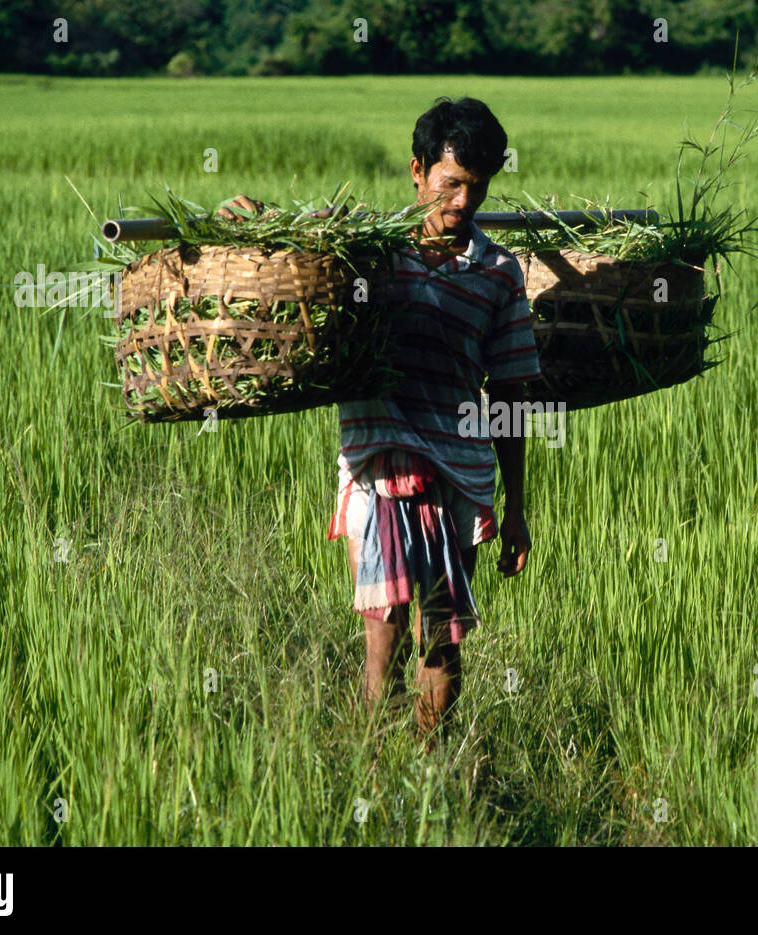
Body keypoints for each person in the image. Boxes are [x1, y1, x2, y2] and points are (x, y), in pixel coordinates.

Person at [223, 97, 539, 748]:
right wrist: (258, 221)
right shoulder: (370, 251)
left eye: (476, 190)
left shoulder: (499, 272)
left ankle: (429, 779)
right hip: (380, 462)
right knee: (384, 633)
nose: (462, 203)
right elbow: (300, 243)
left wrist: (516, 508)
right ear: (418, 172)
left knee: (443, 642)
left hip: (462, 473)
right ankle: (378, 778)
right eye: (451, 185)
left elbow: (508, 393)